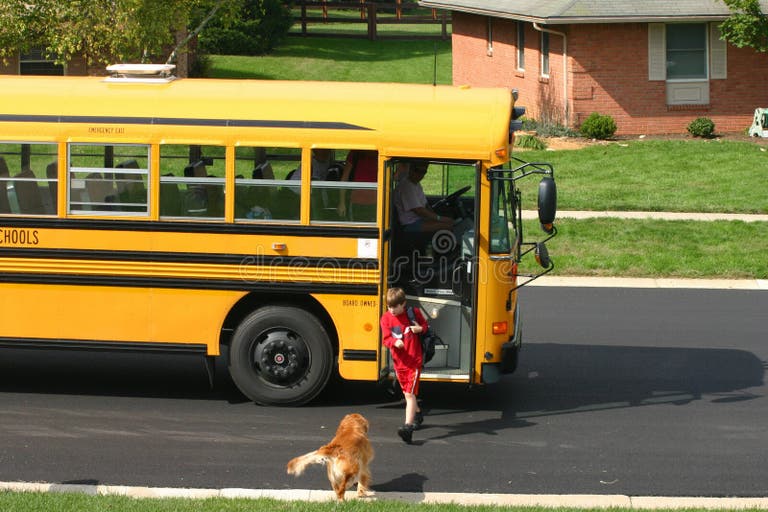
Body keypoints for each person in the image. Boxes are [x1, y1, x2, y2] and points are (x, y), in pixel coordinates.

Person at [380, 287, 428, 444]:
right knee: (408, 394)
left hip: (414, 361)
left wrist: (419, 328)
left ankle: (408, 428)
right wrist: (395, 342)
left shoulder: (412, 313)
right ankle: (418, 414)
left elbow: (425, 327)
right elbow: (386, 339)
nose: (392, 310)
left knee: (409, 395)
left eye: (395, 306)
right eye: (389, 306)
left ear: (403, 304)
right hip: (399, 363)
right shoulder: (385, 319)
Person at [394, 160, 454, 232]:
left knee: (450, 223)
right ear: (411, 169)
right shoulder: (406, 186)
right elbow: (419, 210)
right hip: (409, 224)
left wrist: (435, 216)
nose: (421, 174)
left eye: (424, 172)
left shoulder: (416, 184)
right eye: (418, 170)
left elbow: (425, 205)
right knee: (448, 226)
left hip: (419, 220)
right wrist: (439, 218)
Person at [337, 149, 377, 221]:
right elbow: (344, 178)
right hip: (356, 202)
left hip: (376, 203)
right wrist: (342, 203)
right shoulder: (355, 154)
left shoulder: (381, 152)